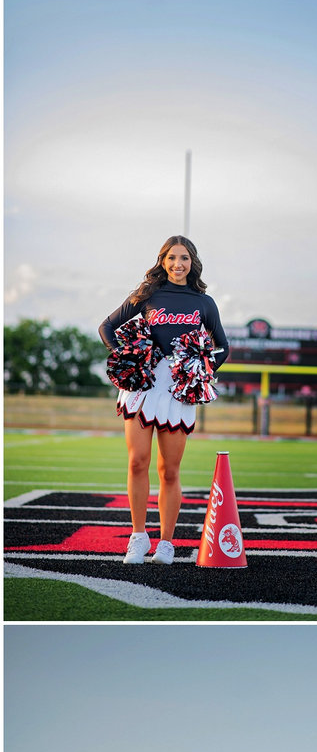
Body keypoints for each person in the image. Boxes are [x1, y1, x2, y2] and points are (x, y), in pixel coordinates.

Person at [97, 235, 229, 565]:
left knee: (169, 470)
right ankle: (138, 538)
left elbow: (222, 346)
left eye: (184, 258)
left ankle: (166, 543)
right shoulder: (148, 295)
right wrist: (128, 358)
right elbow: (107, 327)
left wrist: (198, 371)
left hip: (178, 389)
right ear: (163, 261)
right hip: (142, 383)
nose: (177, 264)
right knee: (137, 461)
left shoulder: (204, 303)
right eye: (171, 258)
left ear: (192, 263)